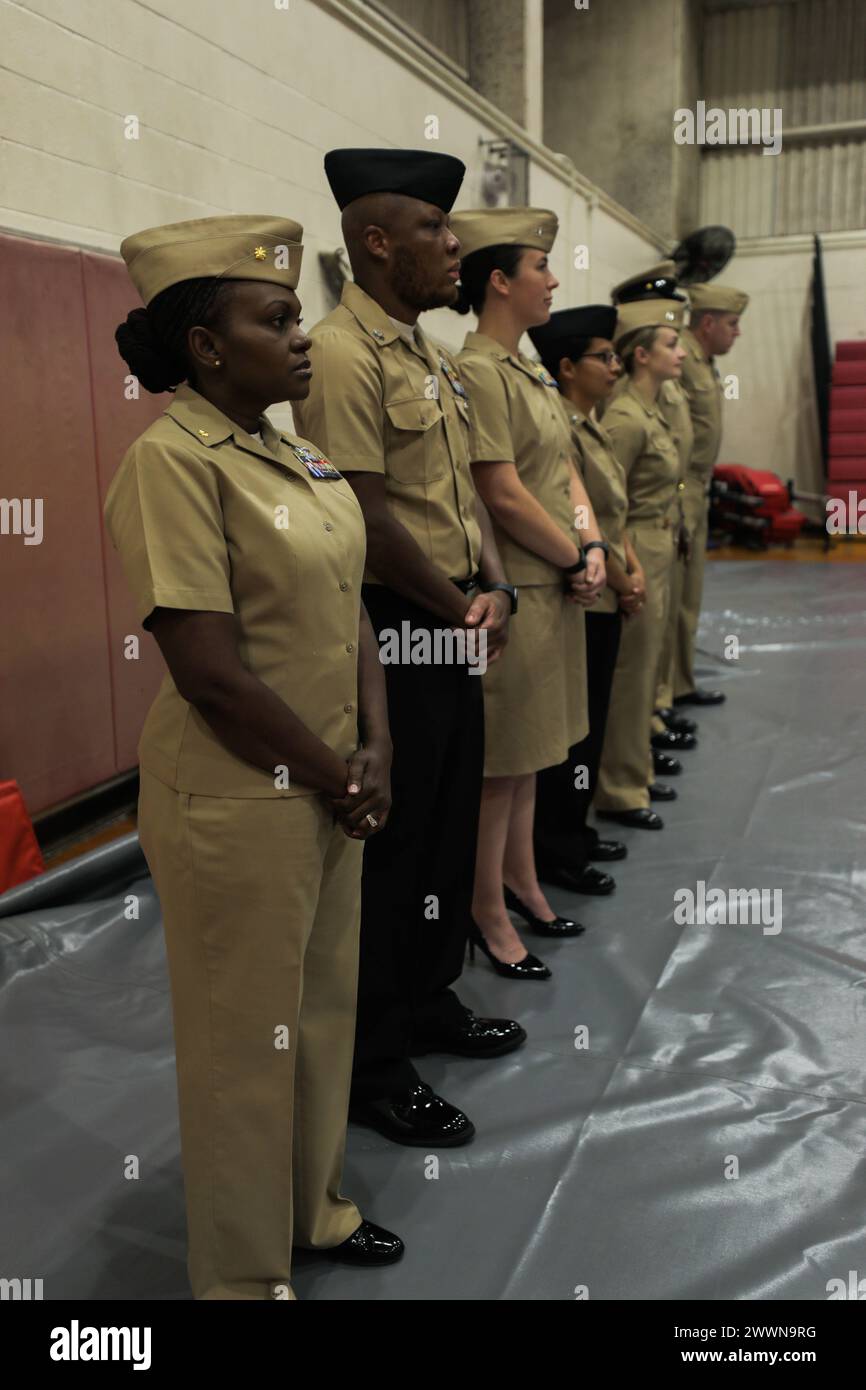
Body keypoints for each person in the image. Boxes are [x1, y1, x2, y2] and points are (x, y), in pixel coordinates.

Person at [104, 215, 402, 1300]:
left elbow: (351, 612)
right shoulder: (171, 464)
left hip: (328, 786)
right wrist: (337, 773)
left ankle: (309, 1210)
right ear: (205, 346)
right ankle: (239, 1275)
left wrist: (374, 743)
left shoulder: (298, 451)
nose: (301, 336)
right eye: (274, 318)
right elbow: (211, 673)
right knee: (243, 1044)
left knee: (321, 1009)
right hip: (237, 801)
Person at [294, 150, 524, 1148]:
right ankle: (373, 1063)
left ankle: (429, 998)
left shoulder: (423, 352)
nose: (454, 244)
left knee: (439, 826)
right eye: (435, 226)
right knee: (391, 857)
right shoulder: (343, 355)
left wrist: (497, 585)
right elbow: (366, 520)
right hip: (398, 627)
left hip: (451, 616)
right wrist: (456, 609)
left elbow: (459, 490)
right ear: (376, 241)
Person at [448, 209, 606, 978]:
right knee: (503, 762)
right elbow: (498, 492)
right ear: (500, 281)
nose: (552, 278)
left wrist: (592, 544)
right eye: (539, 266)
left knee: (536, 753)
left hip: (556, 577)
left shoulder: (530, 366)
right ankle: (484, 907)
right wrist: (575, 555)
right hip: (523, 585)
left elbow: (565, 469)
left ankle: (521, 880)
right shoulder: (476, 369)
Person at [527, 305, 633, 894]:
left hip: (602, 578)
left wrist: (628, 569)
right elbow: (567, 508)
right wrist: (615, 574)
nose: (613, 366)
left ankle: (576, 830)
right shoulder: (561, 423)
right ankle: (558, 848)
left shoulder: (588, 424)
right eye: (604, 356)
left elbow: (612, 512)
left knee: (588, 729)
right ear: (566, 367)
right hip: (584, 589)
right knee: (572, 738)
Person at [594, 300, 687, 831]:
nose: (681, 354)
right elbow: (613, 501)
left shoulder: (648, 409)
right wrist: (624, 561)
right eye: (671, 346)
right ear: (643, 355)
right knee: (631, 675)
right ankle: (619, 788)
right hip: (636, 548)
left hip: (658, 541)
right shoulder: (626, 418)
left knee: (647, 667)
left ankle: (636, 770)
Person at [673, 282, 749, 707]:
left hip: (698, 487)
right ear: (707, 322)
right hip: (680, 486)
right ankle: (663, 694)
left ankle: (678, 684)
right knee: (673, 598)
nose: (737, 333)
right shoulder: (683, 359)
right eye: (732, 324)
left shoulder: (704, 361)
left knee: (688, 595)